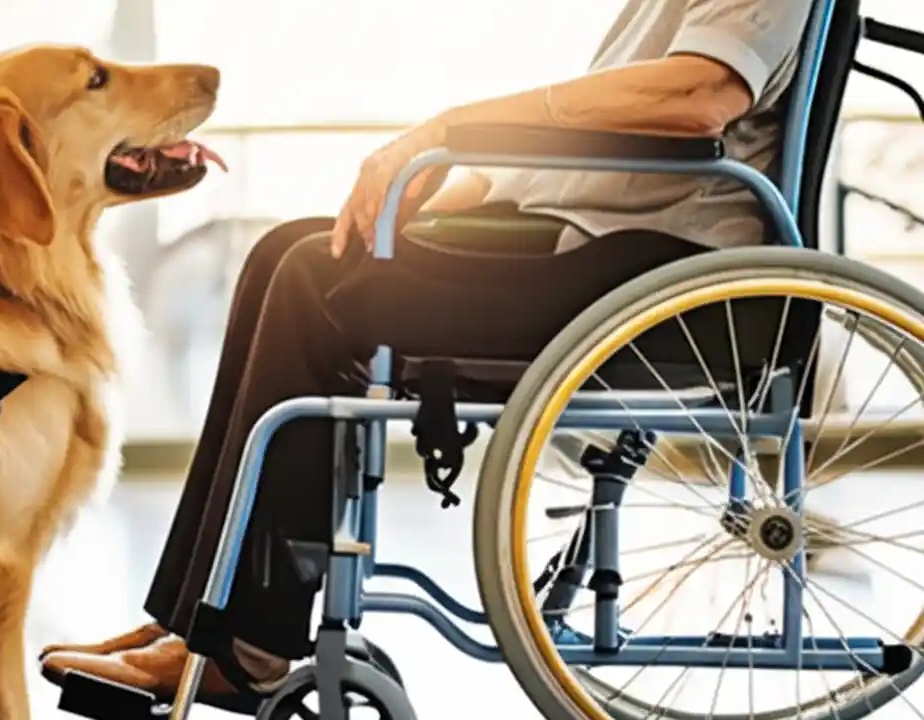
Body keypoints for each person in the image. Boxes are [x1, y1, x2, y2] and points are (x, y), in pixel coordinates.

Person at [42, 0, 817, 704]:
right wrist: (453, 191)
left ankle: (245, 644)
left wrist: (449, 128)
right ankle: (194, 617)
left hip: (664, 273)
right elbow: (597, 147)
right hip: (595, 241)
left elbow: (699, 99)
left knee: (314, 281)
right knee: (288, 249)